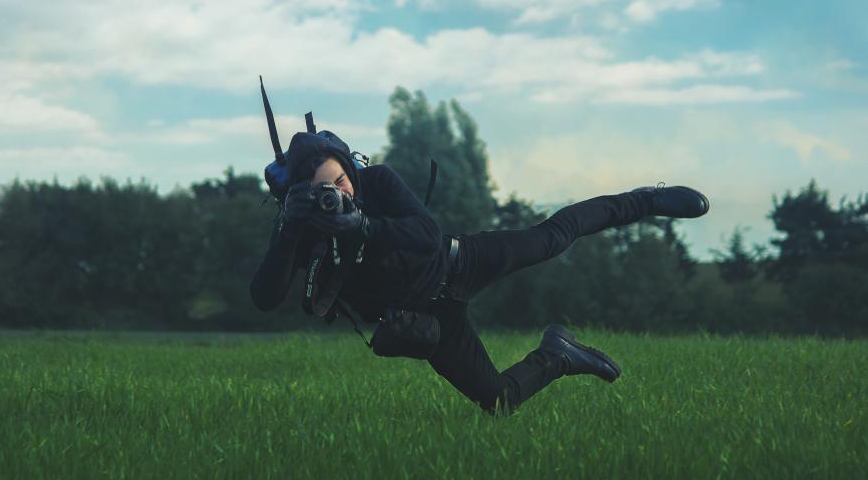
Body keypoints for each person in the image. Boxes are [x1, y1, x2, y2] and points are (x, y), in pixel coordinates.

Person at [250, 130, 709, 415]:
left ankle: (645, 200)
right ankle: (559, 355)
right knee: (499, 403)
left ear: (351, 170)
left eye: (340, 181)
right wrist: (291, 227)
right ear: (298, 199)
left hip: (459, 261)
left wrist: (364, 225)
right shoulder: (300, 228)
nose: (334, 194)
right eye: (318, 193)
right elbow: (265, 298)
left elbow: (426, 234)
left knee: (552, 238)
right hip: (427, 321)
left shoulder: (379, 182)